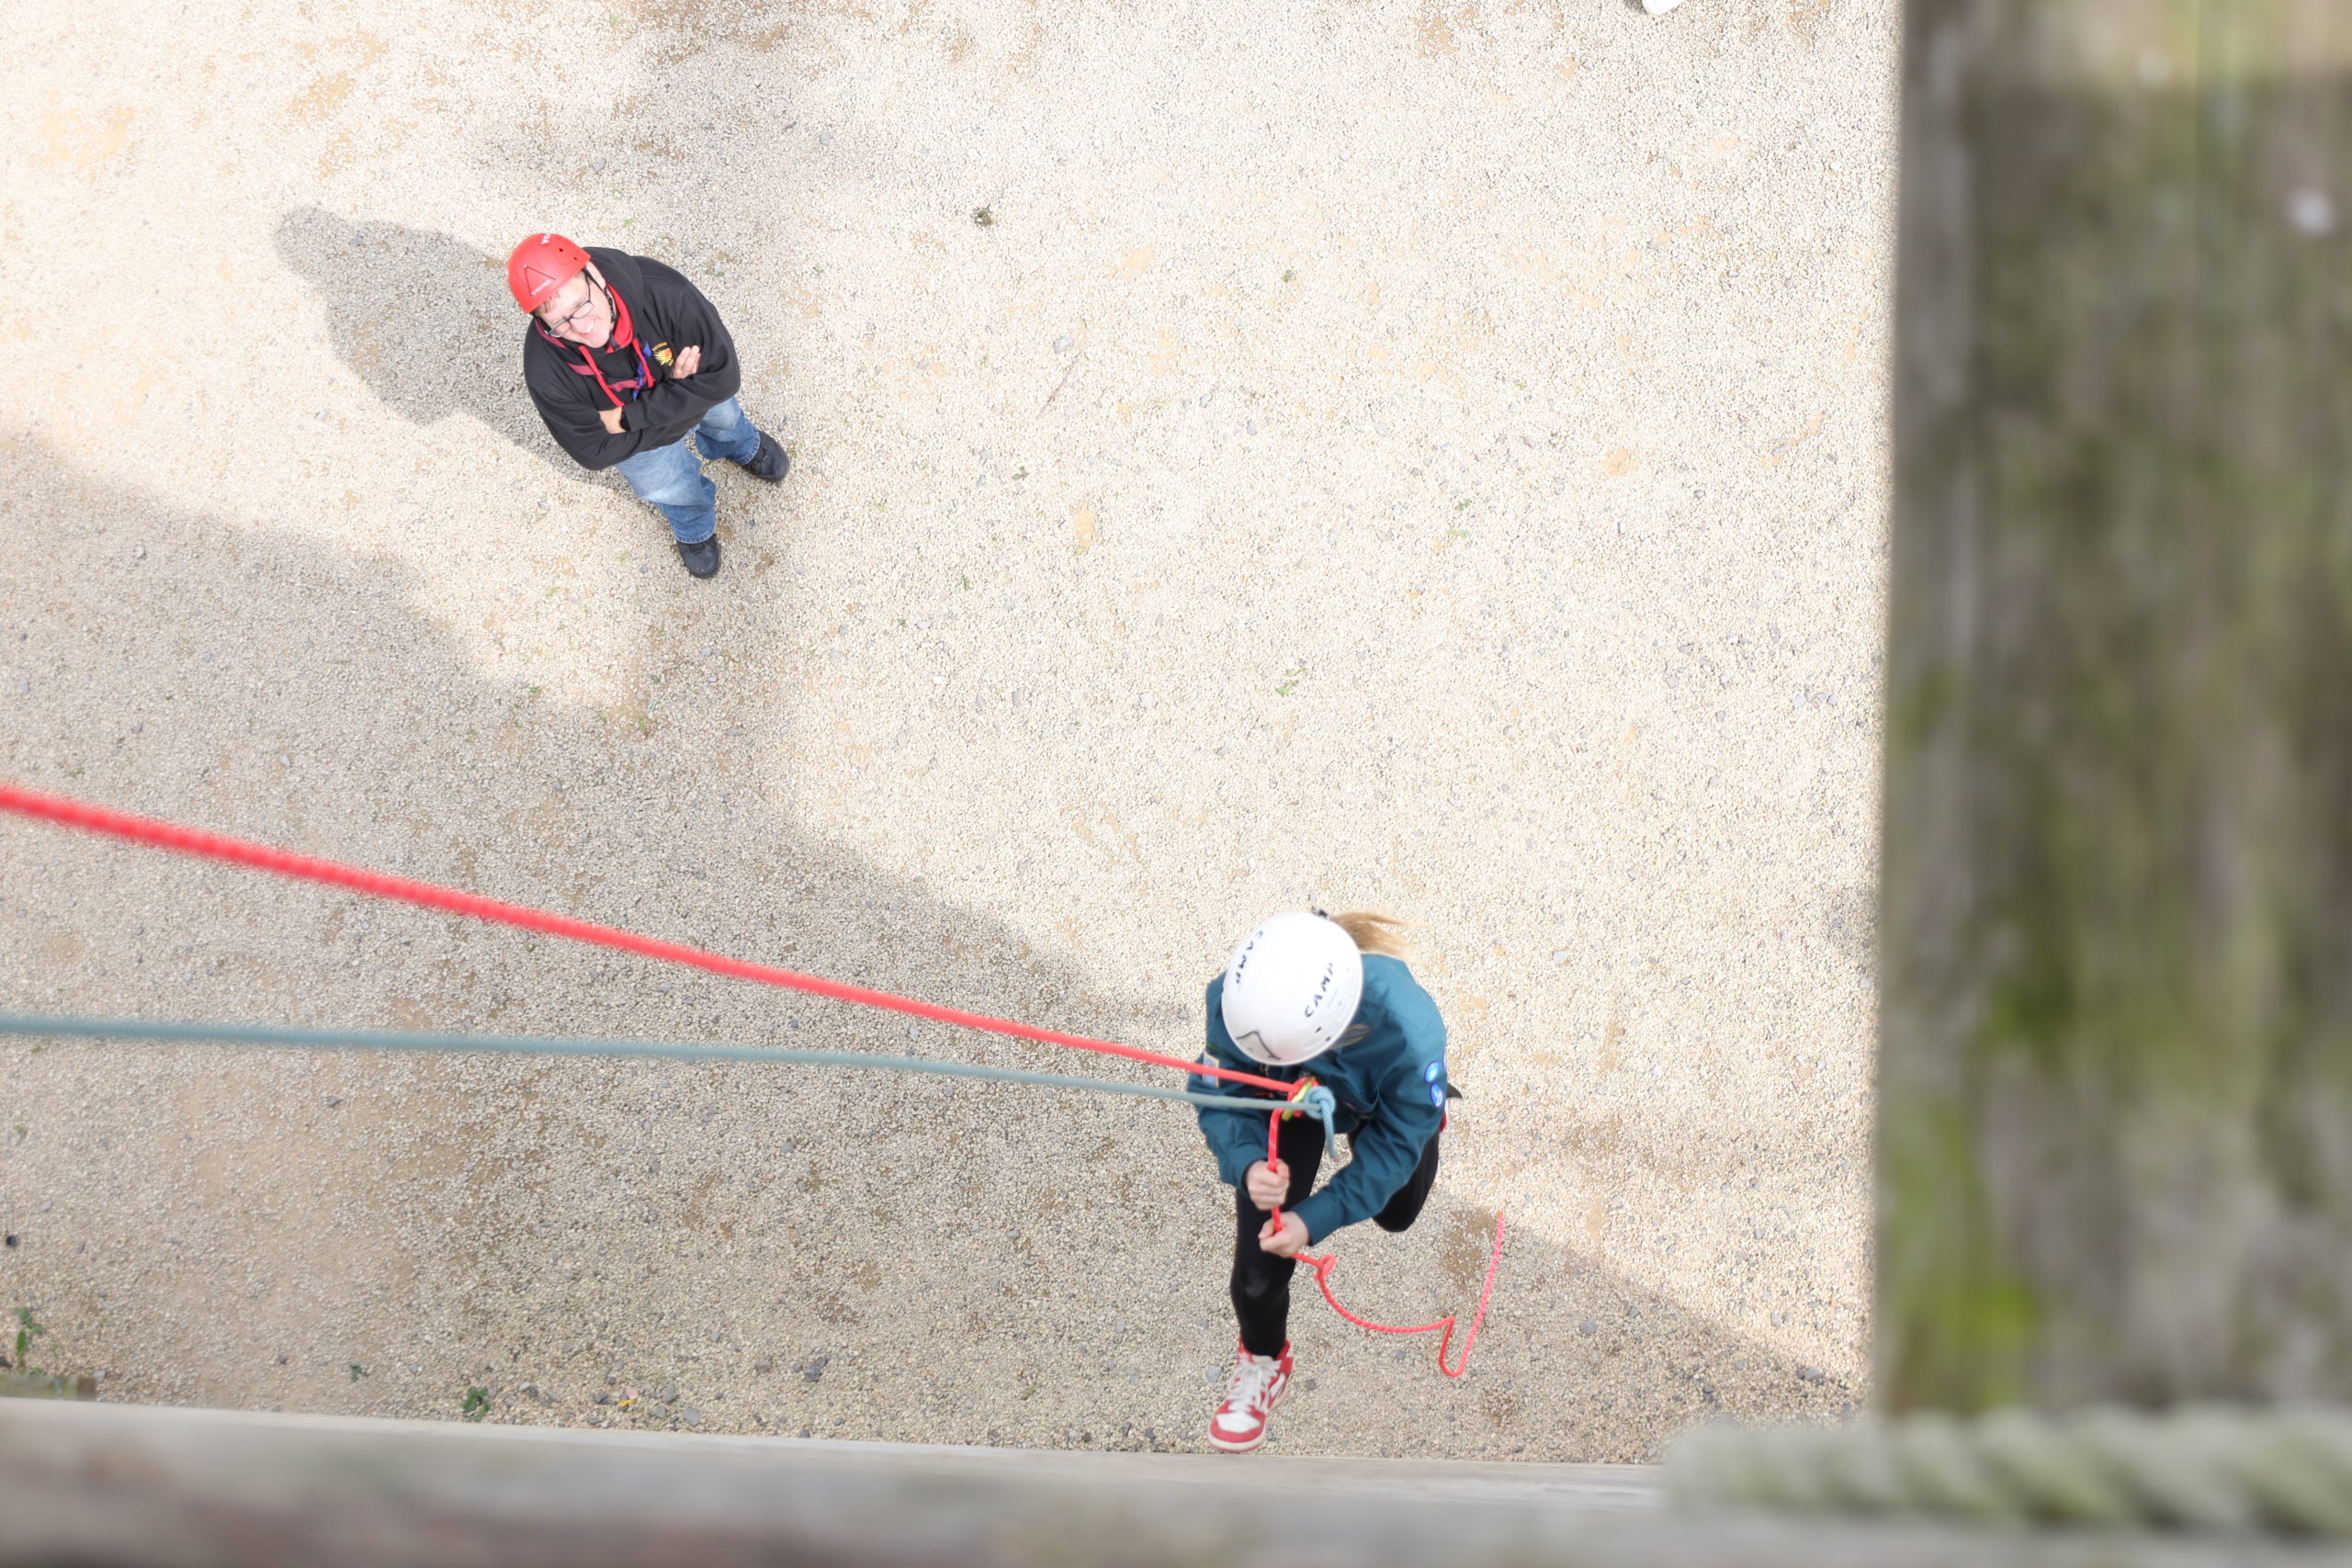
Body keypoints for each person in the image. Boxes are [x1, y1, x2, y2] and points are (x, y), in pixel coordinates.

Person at [1189, 909, 1453, 1453]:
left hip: (1379, 1102)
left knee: (1397, 1214)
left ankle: (1430, 1113)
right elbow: (1221, 1091)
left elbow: (1394, 1146)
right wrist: (1245, 1162)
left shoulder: (1409, 1030)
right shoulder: (1237, 1003)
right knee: (1258, 1277)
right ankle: (1264, 1362)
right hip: (1288, 1100)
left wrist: (1317, 1217)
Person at [506, 233, 789, 579]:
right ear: (541, 322)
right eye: (561, 322)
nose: (582, 326)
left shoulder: (662, 290)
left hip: (635, 427)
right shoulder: (545, 369)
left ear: (594, 273)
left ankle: (744, 445)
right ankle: (694, 526)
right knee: (665, 485)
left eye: (581, 305)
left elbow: (724, 378)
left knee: (725, 417)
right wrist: (684, 393)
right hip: (677, 408)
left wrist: (625, 418)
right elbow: (592, 453)